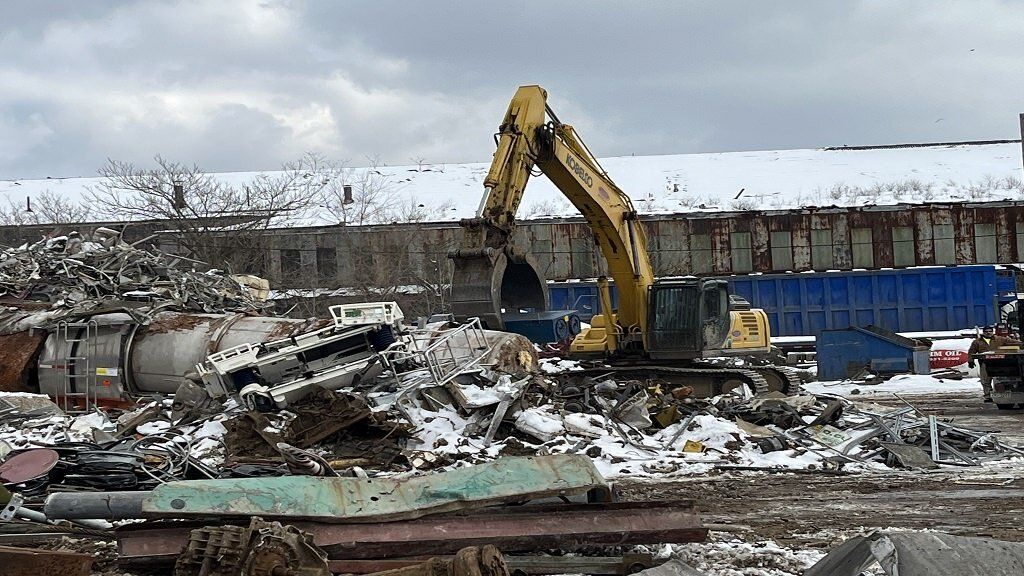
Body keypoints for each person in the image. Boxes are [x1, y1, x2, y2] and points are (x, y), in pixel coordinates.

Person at [967, 326, 1021, 402]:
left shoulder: (1000, 339)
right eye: (986, 331)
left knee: (1000, 379)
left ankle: (1002, 395)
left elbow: (1013, 342)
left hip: (999, 363)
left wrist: (1021, 343)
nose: (988, 333)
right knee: (985, 380)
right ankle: (988, 396)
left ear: (993, 332)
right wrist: (970, 361)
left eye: (990, 331)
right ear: (983, 332)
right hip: (984, 363)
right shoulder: (977, 342)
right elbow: (971, 352)